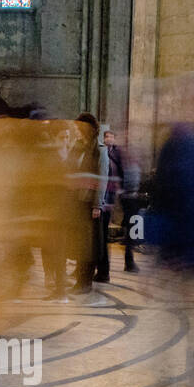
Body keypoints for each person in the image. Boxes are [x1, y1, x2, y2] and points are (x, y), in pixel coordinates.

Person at [71, 112, 108, 295]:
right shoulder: (78, 147)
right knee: (79, 243)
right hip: (76, 202)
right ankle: (79, 279)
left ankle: (85, 283)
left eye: (80, 128)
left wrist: (97, 205)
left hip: (89, 204)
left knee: (89, 246)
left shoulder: (100, 150)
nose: (77, 131)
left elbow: (102, 179)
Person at [104, 128, 137, 273]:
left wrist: (126, 190)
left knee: (128, 228)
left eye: (111, 136)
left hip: (122, 194)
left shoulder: (120, 152)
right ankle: (106, 265)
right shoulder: (111, 152)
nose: (109, 138)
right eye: (107, 136)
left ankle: (128, 262)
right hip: (113, 193)